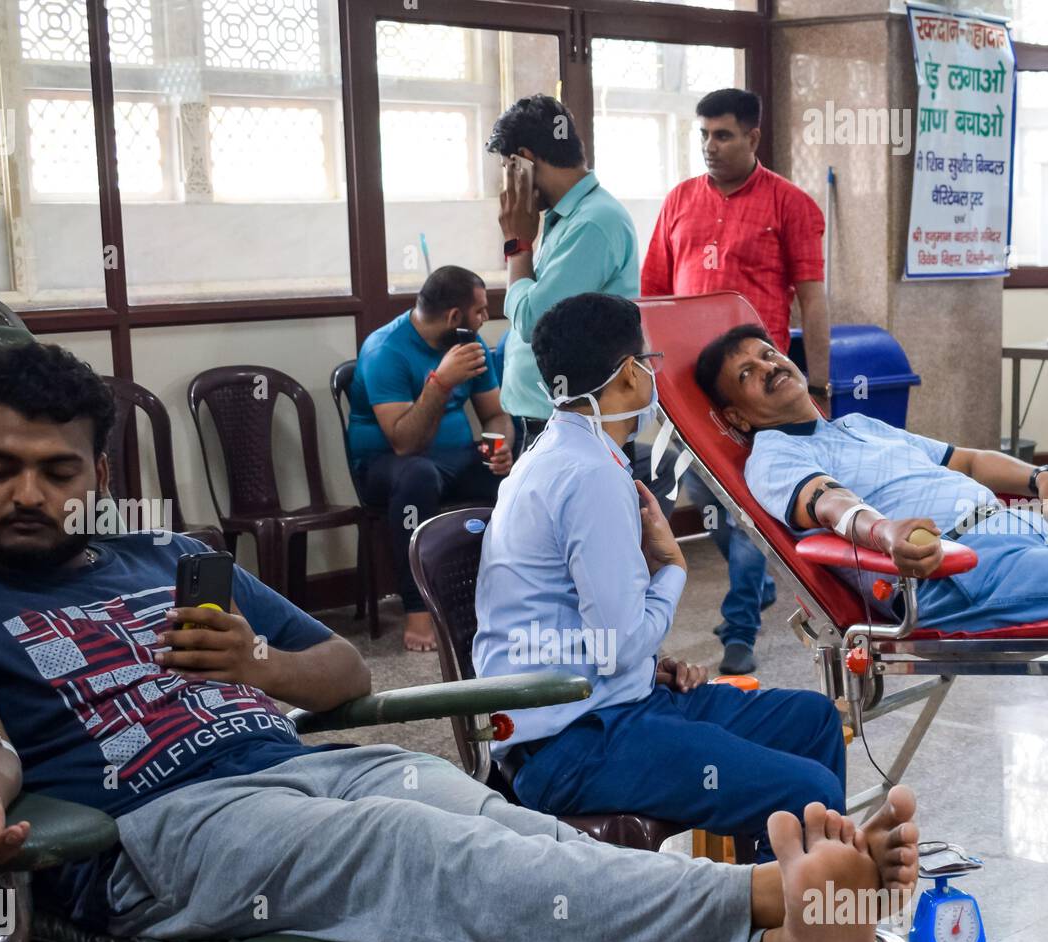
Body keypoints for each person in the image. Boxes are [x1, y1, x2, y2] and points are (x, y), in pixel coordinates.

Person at [0, 339, 922, 942]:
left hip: (305, 765)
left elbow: (344, 673)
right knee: (418, 855)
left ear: (94, 473)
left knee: (516, 836)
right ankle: (769, 897)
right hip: (158, 830)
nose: (29, 494)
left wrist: (254, 667)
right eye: (0, 468)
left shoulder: (171, 555)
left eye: (56, 470)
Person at [472, 293, 917, 878]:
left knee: (810, 719)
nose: (654, 370)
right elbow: (621, 641)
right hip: (570, 746)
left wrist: (643, 666)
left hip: (613, 701)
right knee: (803, 786)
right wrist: (671, 568)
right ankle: (782, 934)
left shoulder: (564, 452)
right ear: (630, 373)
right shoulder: (587, 475)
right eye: (647, 359)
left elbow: (598, 637)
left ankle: (781, 911)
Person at [694, 324, 1048, 632]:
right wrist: (882, 532)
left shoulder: (856, 426)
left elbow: (966, 460)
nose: (767, 366)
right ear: (737, 416)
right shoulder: (773, 455)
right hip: (956, 572)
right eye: (746, 374)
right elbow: (830, 503)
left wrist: (1042, 479)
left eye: (767, 354)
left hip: (1016, 532)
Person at [643, 89, 829, 676]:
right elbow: (652, 294)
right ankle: (759, 585)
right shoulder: (678, 201)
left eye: (722, 135)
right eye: (702, 134)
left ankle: (741, 625)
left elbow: (813, 301)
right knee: (699, 497)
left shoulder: (790, 204)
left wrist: (818, 384)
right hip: (683, 391)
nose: (709, 146)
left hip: (753, 392)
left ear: (753, 137)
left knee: (746, 510)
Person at [348, 265, 515, 653]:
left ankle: (507, 597)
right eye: (480, 311)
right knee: (418, 476)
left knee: (512, 477)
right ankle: (417, 610)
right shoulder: (385, 350)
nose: (487, 318)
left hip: (453, 459)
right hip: (385, 465)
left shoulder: (470, 345)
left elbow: (495, 415)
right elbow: (405, 442)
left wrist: (499, 447)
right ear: (455, 317)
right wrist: (441, 382)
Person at [487, 95, 639, 445]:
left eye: (507, 169)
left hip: (570, 426)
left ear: (523, 160)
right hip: (549, 420)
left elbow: (531, 321)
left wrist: (517, 244)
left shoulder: (593, 222)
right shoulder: (564, 218)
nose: (507, 186)